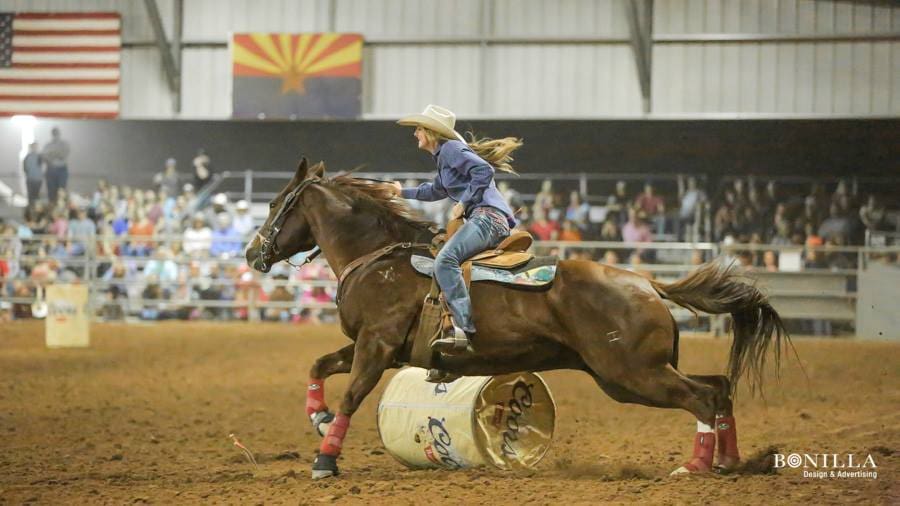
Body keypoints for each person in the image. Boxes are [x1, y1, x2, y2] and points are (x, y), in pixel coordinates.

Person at [392, 104, 520, 356]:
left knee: (445, 260)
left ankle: (463, 326)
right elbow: (434, 191)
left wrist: (464, 202)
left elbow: (484, 170)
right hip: (484, 217)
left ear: (429, 131)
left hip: (487, 217)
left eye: (418, 129)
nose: (414, 133)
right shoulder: (443, 158)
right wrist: (400, 192)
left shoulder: (450, 149)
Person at [42, 127, 70, 203]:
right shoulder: (47, 145)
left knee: (61, 191)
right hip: (51, 169)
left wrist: (52, 154)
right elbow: (44, 157)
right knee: (51, 192)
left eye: (56, 133)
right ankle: (52, 211)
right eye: (54, 133)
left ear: (59, 134)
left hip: (62, 169)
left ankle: (61, 210)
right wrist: (54, 154)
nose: (55, 135)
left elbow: (63, 155)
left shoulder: (64, 144)